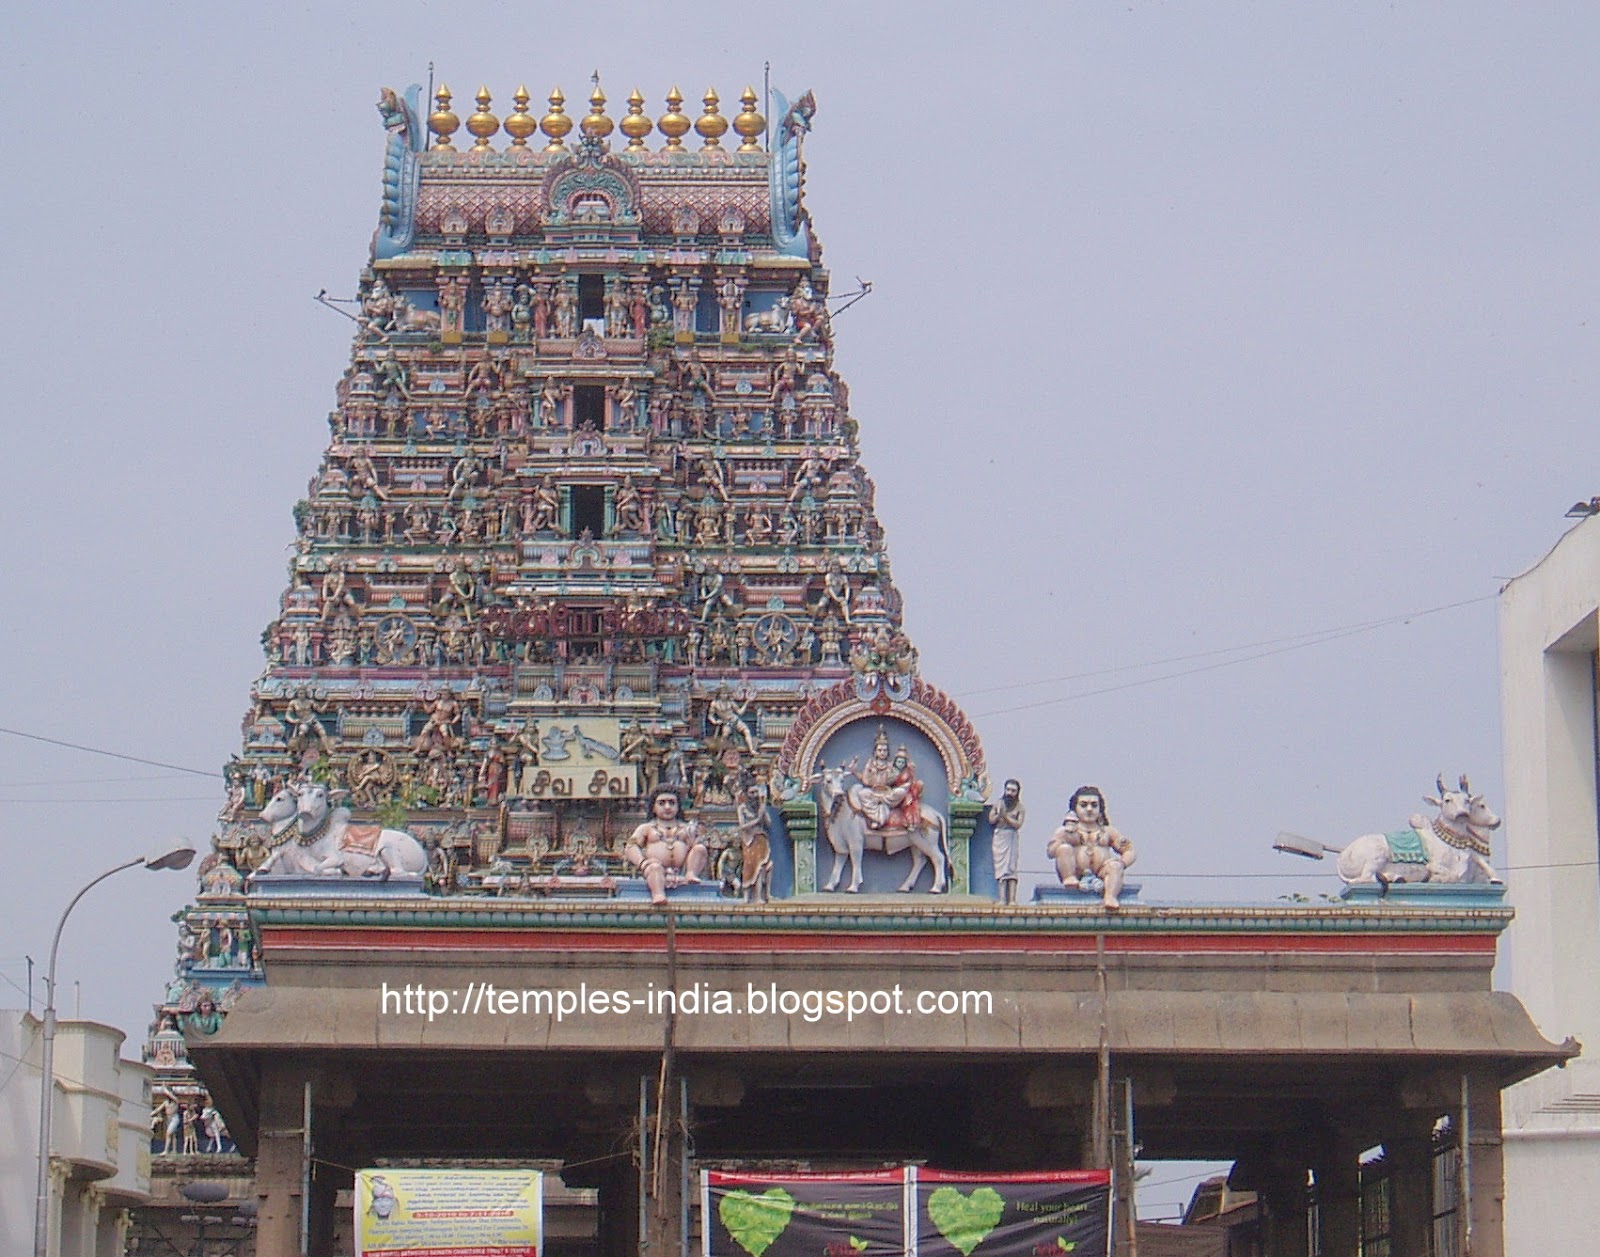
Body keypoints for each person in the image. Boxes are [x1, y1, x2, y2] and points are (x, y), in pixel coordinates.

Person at [1047, 785, 1135, 909]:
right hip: (1075, 872)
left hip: (1102, 872)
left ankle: (1110, 896)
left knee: (1115, 866)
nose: (1089, 809)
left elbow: (1129, 850)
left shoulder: (1108, 831)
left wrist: (1121, 863)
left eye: (1094, 805)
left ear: (1100, 809)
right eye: (1083, 805)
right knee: (1064, 849)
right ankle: (1070, 878)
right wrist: (1065, 836)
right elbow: (1051, 852)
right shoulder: (1065, 831)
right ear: (1075, 809)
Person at [624, 786, 710, 906]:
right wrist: (643, 863)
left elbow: (697, 848)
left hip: (682, 870)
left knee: (700, 848)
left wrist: (693, 842)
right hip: (655, 869)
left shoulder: (686, 828)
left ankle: (691, 874)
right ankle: (658, 894)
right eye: (662, 803)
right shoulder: (646, 828)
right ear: (653, 807)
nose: (667, 807)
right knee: (654, 868)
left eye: (672, 803)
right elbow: (630, 846)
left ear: (678, 806)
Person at [987, 779, 1026, 905]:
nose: (1009, 793)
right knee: (1001, 870)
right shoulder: (999, 804)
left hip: (1011, 837)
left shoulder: (1020, 807)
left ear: (1017, 792)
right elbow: (991, 820)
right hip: (999, 836)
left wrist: (1006, 817)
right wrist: (999, 815)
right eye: (1008, 790)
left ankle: (1012, 899)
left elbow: (1018, 824)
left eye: (1013, 791)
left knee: (1011, 868)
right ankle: (1002, 899)